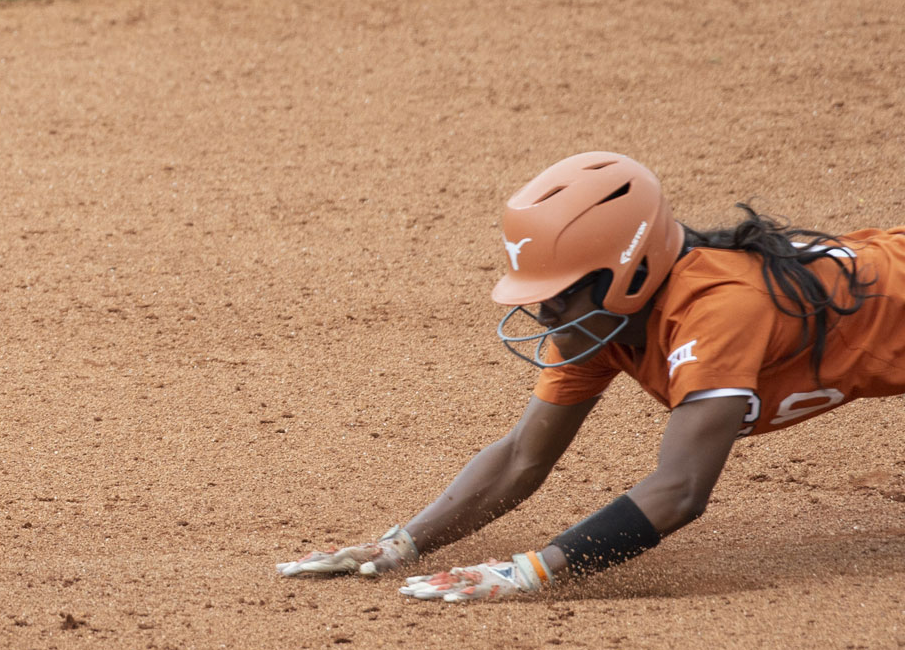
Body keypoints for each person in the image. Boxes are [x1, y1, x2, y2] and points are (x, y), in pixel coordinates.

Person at [277, 151, 905, 601]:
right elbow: (522, 457)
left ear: (629, 273)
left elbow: (680, 491)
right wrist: (400, 545)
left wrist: (534, 571)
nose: (544, 314)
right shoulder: (602, 322)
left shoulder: (719, 308)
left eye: (558, 295)